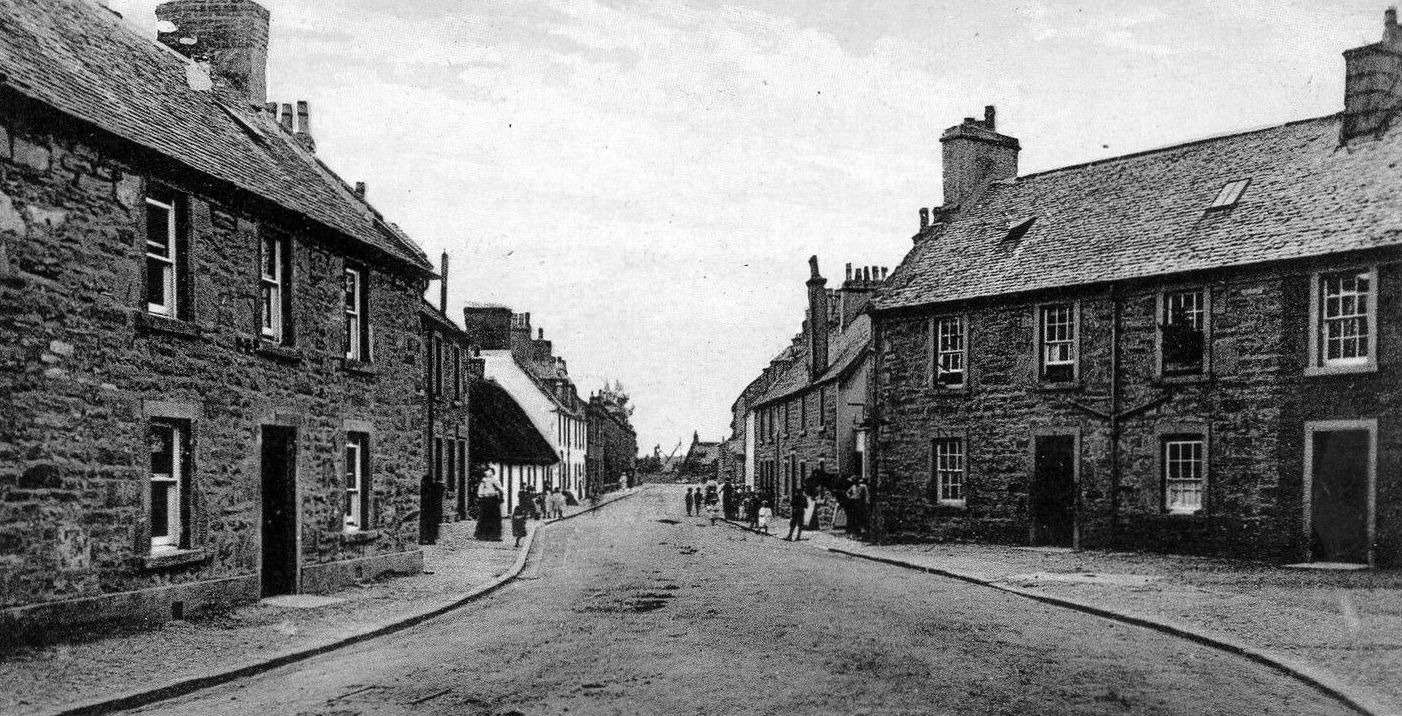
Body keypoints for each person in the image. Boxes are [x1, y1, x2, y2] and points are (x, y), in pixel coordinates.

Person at [475, 468, 504, 541]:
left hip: (493, 500)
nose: (488, 472)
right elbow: (480, 491)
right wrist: (482, 496)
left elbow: (501, 490)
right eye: (487, 471)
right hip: (485, 500)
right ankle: (483, 536)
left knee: (494, 518)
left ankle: (495, 536)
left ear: (492, 473)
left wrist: (497, 490)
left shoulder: (495, 480)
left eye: (490, 471)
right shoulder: (483, 481)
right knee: (484, 518)